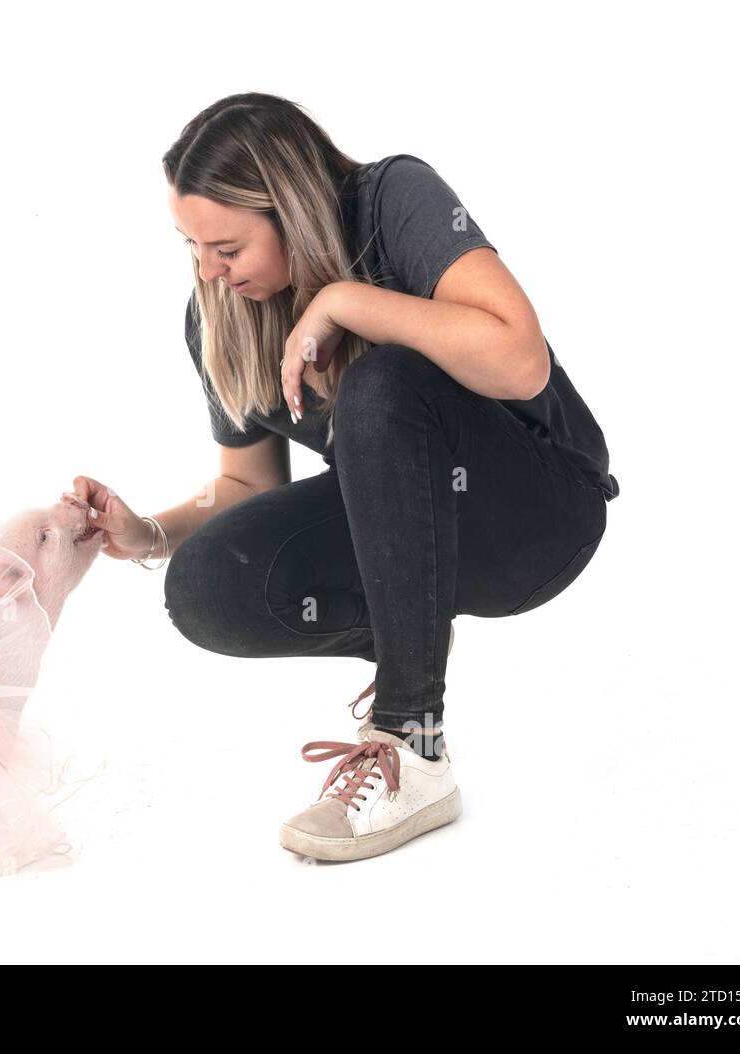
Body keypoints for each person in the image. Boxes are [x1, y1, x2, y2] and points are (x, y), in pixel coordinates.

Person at [64, 92, 618, 864]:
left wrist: (345, 301)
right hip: (410, 533)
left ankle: (412, 741)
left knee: (382, 382)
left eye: (227, 248)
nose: (209, 273)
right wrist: (147, 532)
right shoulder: (219, 314)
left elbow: (521, 359)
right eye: (191, 246)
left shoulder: (393, 199)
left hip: (538, 516)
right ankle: (413, 635)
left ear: (288, 208)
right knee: (204, 586)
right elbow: (247, 487)